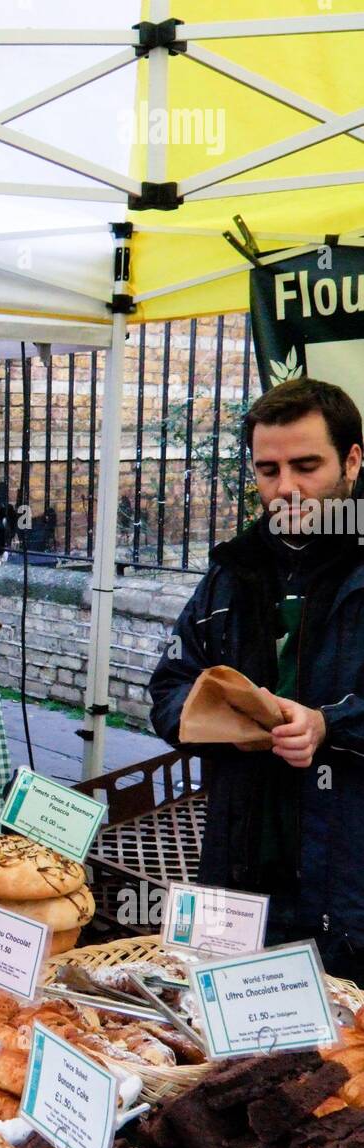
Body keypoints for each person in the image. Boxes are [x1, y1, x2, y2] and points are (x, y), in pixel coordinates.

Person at [149, 377, 364, 984]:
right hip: (238, 870)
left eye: (306, 465)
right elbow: (167, 688)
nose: (286, 488)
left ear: (353, 459)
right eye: (268, 470)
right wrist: (215, 723)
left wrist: (330, 725)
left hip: (349, 882)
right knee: (233, 1063)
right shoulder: (229, 574)